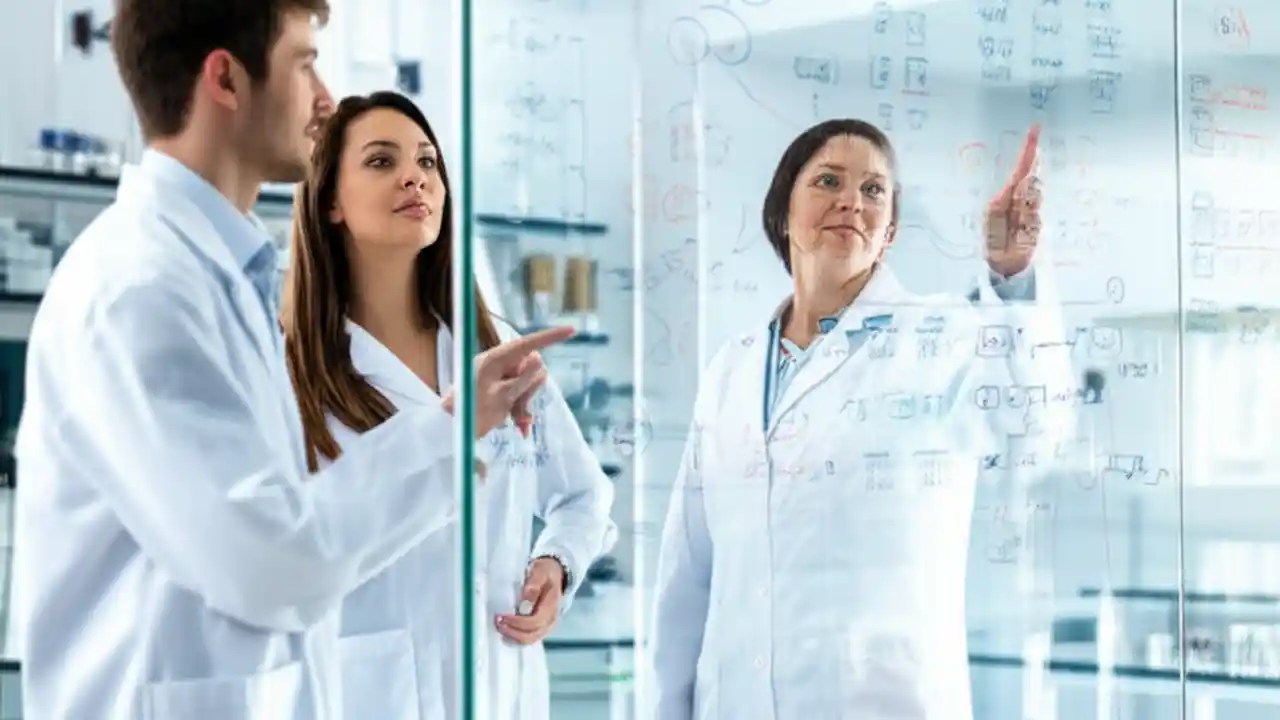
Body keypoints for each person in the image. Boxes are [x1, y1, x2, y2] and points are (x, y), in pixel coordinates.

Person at [8, 3, 571, 719]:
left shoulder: (218, 280)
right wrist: (448, 433)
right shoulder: (141, 289)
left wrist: (455, 428)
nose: (326, 99)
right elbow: (269, 562)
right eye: (305, 64)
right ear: (226, 79)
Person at [650, 119, 1074, 719]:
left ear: (890, 230)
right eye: (829, 181)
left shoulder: (940, 337)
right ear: (783, 212)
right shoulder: (732, 370)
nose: (852, 200)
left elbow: (1037, 426)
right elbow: (687, 573)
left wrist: (1012, 273)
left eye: (874, 190)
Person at [283, 90, 617, 720]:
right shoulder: (293, 370)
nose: (415, 177)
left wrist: (556, 562)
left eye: (428, 162)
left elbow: (583, 494)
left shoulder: (493, 348)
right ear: (330, 201)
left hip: (503, 691)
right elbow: (287, 549)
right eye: (381, 161)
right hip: (369, 697)